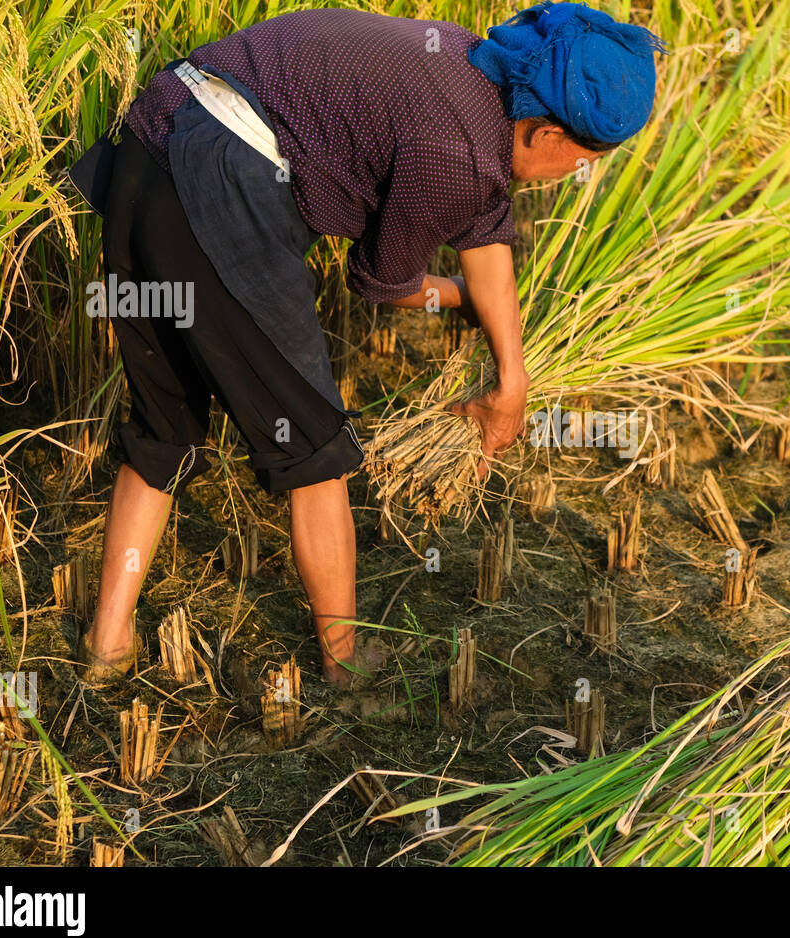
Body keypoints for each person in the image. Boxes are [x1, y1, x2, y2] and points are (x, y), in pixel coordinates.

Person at [66, 3, 665, 687]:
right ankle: (345, 661)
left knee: (165, 427)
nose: (578, 173)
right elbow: (381, 283)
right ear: (550, 133)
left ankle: (107, 640)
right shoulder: (457, 156)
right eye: (585, 160)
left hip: (151, 151)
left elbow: (485, 231)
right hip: (222, 184)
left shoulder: (474, 75)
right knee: (319, 450)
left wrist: (511, 375)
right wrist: (456, 299)